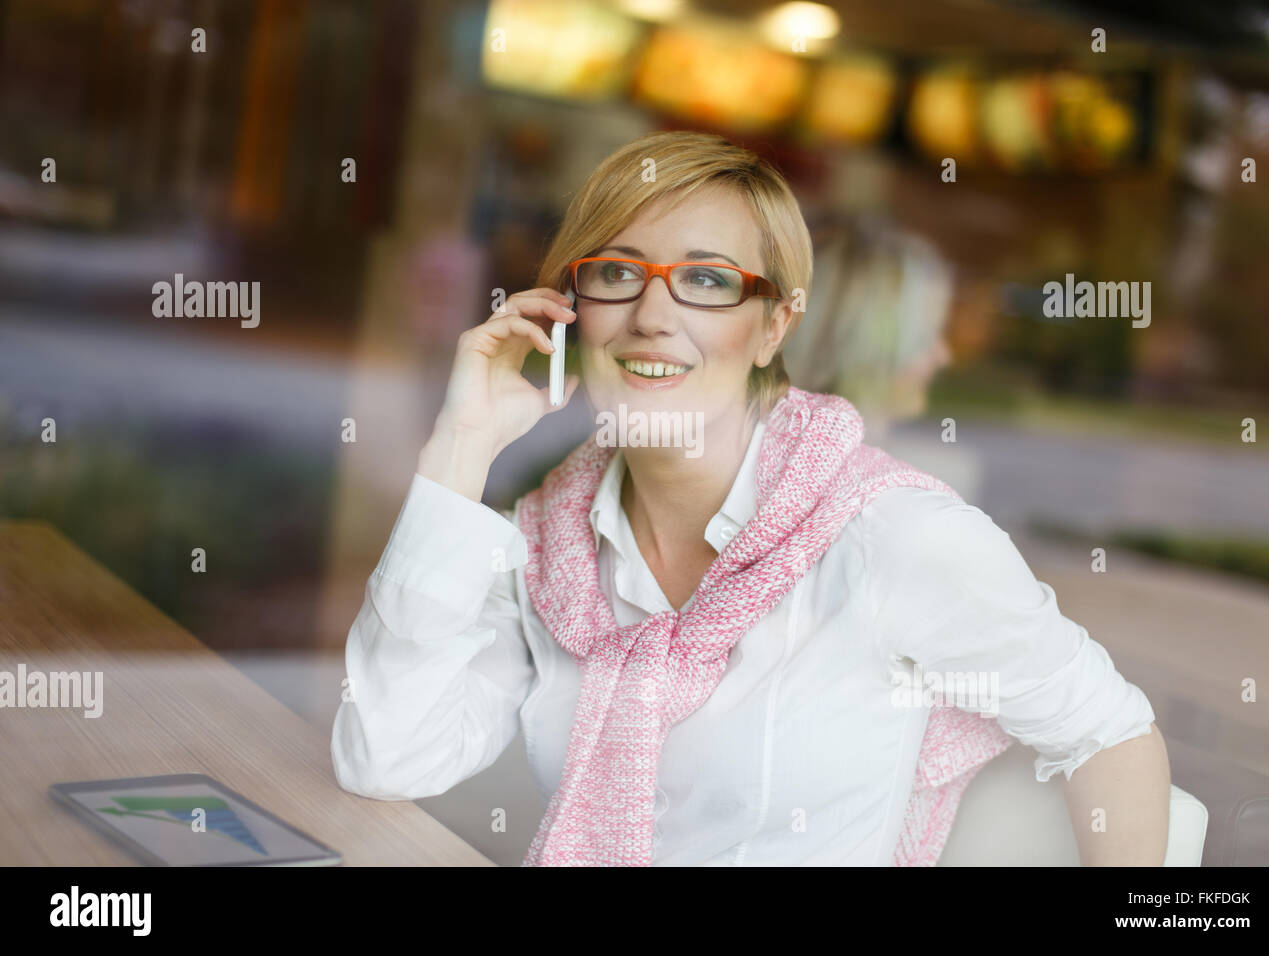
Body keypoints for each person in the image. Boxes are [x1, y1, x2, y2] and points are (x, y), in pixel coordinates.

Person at [331, 130, 1170, 866]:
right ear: (570, 311)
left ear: (773, 326)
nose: (652, 316)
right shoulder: (550, 546)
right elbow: (389, 759)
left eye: (705, 281)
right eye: (619, 272)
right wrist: (461, 446)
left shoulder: (892, 537)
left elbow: (1110, 733)